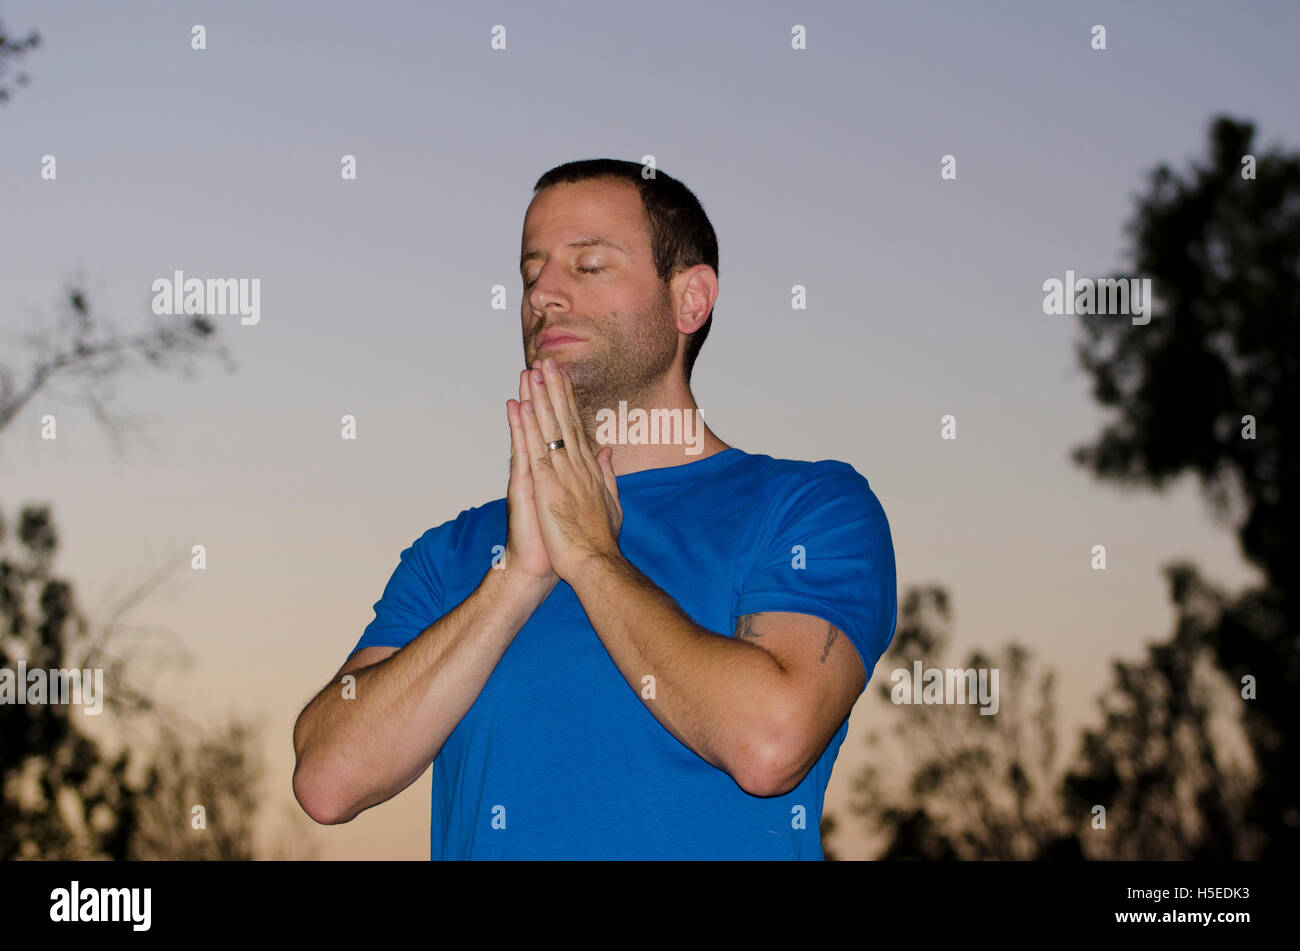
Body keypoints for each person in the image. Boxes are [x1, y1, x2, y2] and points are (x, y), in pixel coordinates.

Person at [292, 158, 897, 859]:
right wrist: (516, 581)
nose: (544, 294)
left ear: (690, 300)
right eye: (532, 273)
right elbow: (327, 779)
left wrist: (591, 557)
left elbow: (769, 744)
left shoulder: (808, 508)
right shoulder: (457, 551)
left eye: (587, 266)